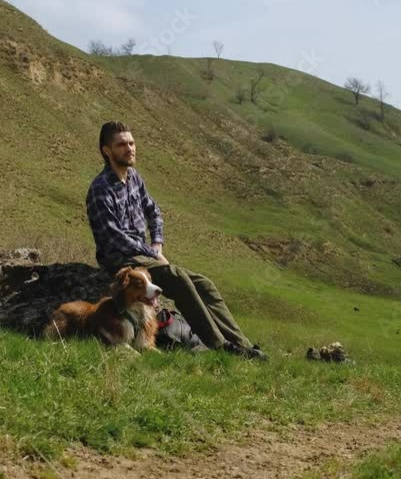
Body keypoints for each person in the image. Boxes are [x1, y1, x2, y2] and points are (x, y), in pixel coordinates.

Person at [85, 121, 267, 360]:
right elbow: (114, 237)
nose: (130, 149)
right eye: (121, 145)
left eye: (131, 143)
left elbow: (154, 211)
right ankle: (220, 345)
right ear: (107, 151)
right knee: (177, 277)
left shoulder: (134, 178)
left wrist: (157, 243)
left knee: (204, 284)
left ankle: (243, 344)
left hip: (143, 255)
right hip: (120, 261)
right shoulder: (100, 189)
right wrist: (152, 253)